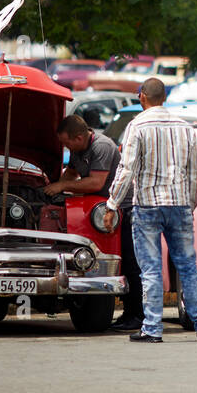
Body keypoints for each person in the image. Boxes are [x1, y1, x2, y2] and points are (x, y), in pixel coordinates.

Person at [105, 77, 197, 343]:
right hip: (179, 205)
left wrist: (112, 204)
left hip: (148, 206)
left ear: (142, 96)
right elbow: (193, 174)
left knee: (150, 270)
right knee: (187, 267)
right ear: (164, 97)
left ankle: (152, 328)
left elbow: (126, 169)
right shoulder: (185, 128)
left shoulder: (136, 125)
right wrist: (190, 203)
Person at [49, 114, 142, 331]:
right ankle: (129, 315)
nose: (65, 148)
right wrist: (52, 187)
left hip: (123, 210)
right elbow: (70, 174)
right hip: (100, 211)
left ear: (79, 137)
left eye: (66, 143)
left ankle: (136, 315)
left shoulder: (102, 147)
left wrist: (61, 187)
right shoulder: (77, 150)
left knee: (129, 263)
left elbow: (96, 183)